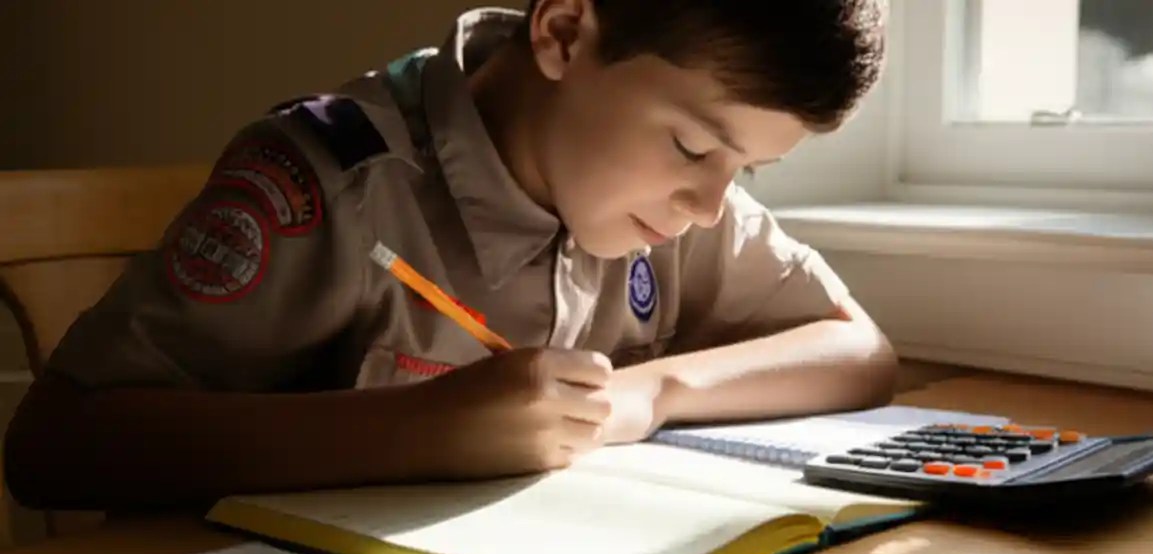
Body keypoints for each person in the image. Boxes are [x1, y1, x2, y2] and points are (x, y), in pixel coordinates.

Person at [4, 0, 897, 510]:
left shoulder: (673, 203)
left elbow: (855, 349)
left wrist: (647, 395)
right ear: (564, 32)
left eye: (750, 168)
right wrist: (420, 430)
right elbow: (53, 444)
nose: (712, 206)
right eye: (697, 149)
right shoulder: (333, 182)